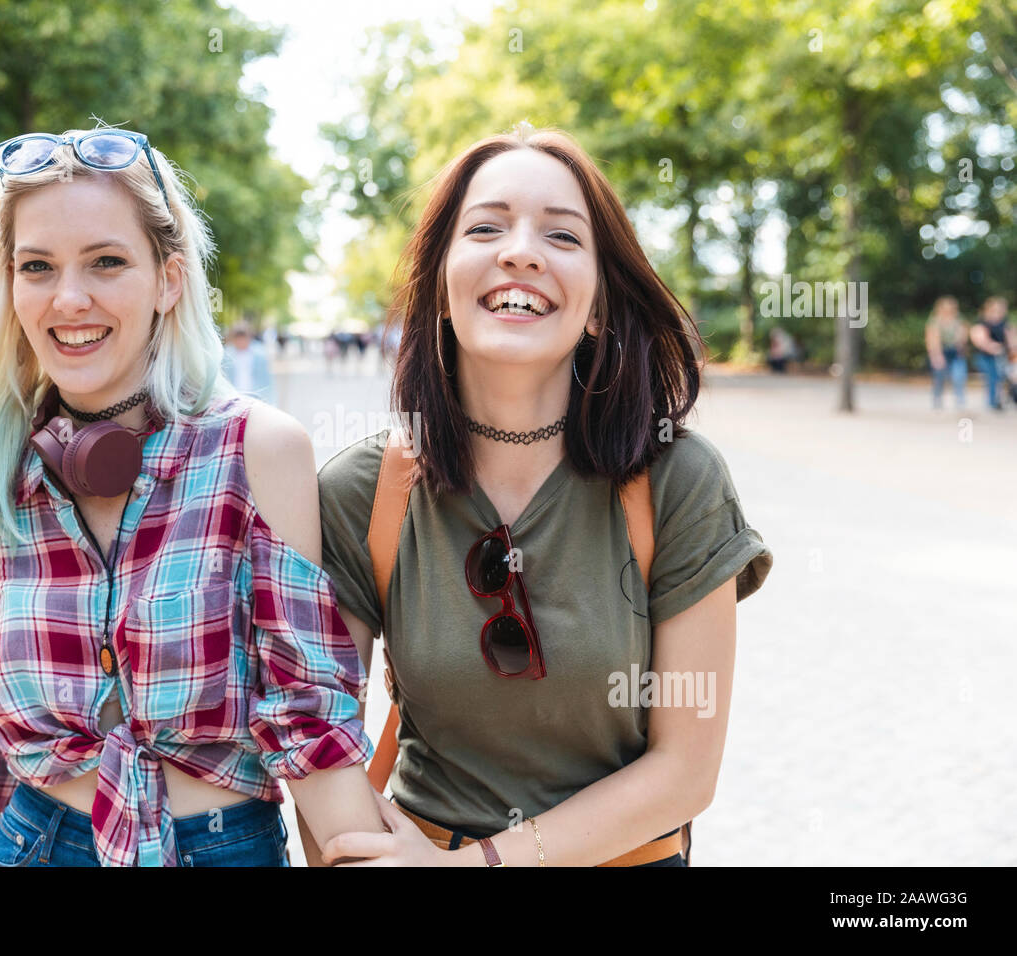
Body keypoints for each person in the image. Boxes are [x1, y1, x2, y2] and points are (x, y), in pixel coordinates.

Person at [0, 124, 382, 867]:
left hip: (220, 848)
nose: (70, 298)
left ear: (168, 279)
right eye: (37, 266)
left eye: (107, 261)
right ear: (9, 285)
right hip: (35, 844)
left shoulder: (258, 451)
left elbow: (308, 725)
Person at [314, 124, 773, 866]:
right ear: (437, 286)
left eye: (562, 237)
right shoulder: (360, 493)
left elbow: (686, 769)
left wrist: (478, 867)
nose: (520, 251)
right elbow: (319, 738)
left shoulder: (676, 481)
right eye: (487, 227)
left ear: (597, 304)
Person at [970, 296, 1015, 411]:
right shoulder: (982, 322)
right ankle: (992, 402)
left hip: (1001, 355)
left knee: (1002, 377)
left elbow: (1010, 338)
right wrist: (992, 347)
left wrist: (1012, 348)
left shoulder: (1004, 323)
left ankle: (999, 400)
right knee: (992, 377)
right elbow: (979, 338)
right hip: (985, 355)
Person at [924, 296, 969, 411]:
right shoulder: (934, 321)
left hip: (956, 352)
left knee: (959, 376)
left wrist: (961, 344)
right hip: (941, 351)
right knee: (939, 377)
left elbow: (963, 336)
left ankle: (960, 400)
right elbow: (932, 340)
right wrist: (936, 356)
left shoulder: (959, 320)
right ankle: (937, 399)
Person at [220, 320, 274, 403]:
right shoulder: (227, 355)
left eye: (243, 338)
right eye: (238, 339)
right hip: (234, 397)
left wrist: (269, 401)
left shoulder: (260, 354)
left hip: (255, 397)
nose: (241, 342)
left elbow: (266, 381)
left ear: (249, 338)